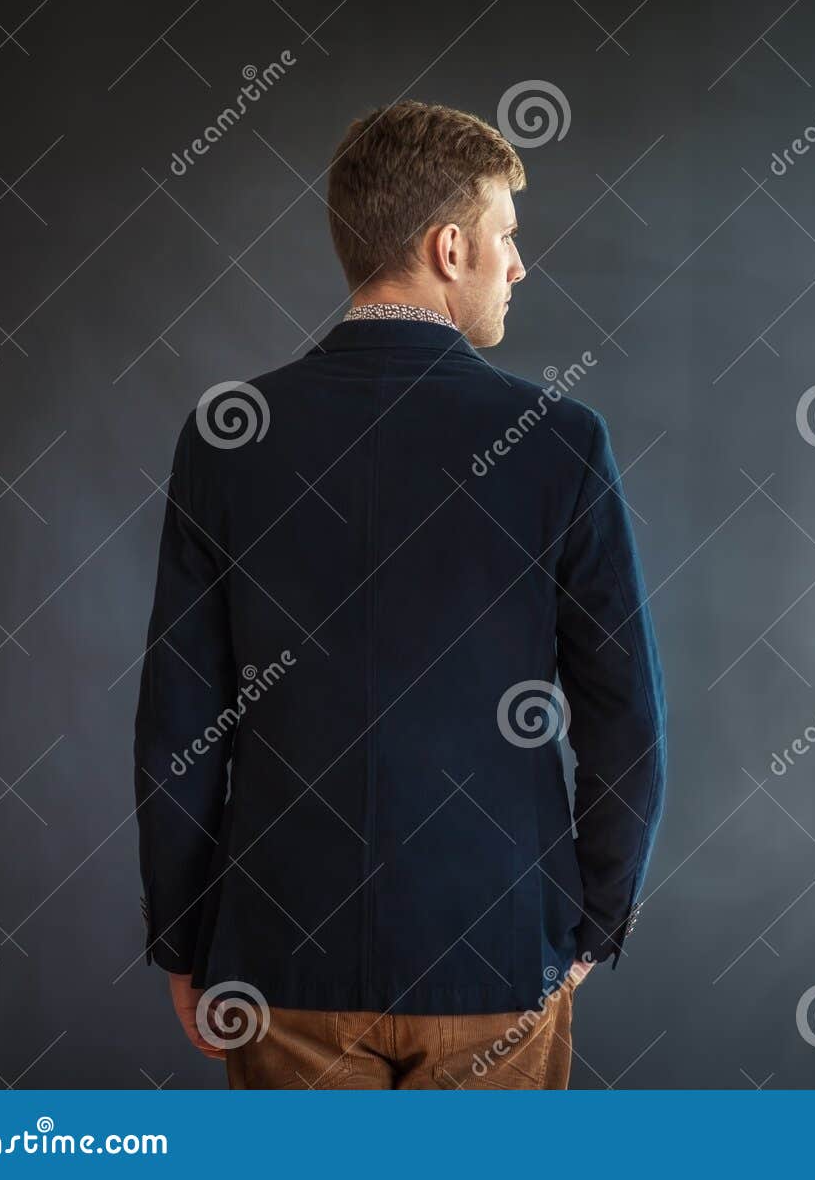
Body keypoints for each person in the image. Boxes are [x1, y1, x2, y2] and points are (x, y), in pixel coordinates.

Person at [131, 100, 667, 1089]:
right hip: (497, 949)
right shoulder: (560, 442)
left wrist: (184, 938)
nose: (519, 266)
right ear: (449, 248)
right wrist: (590, 921)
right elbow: (624, 714)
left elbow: (180, 721)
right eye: (507, 236)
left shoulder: (226, 437)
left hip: (280, 954)